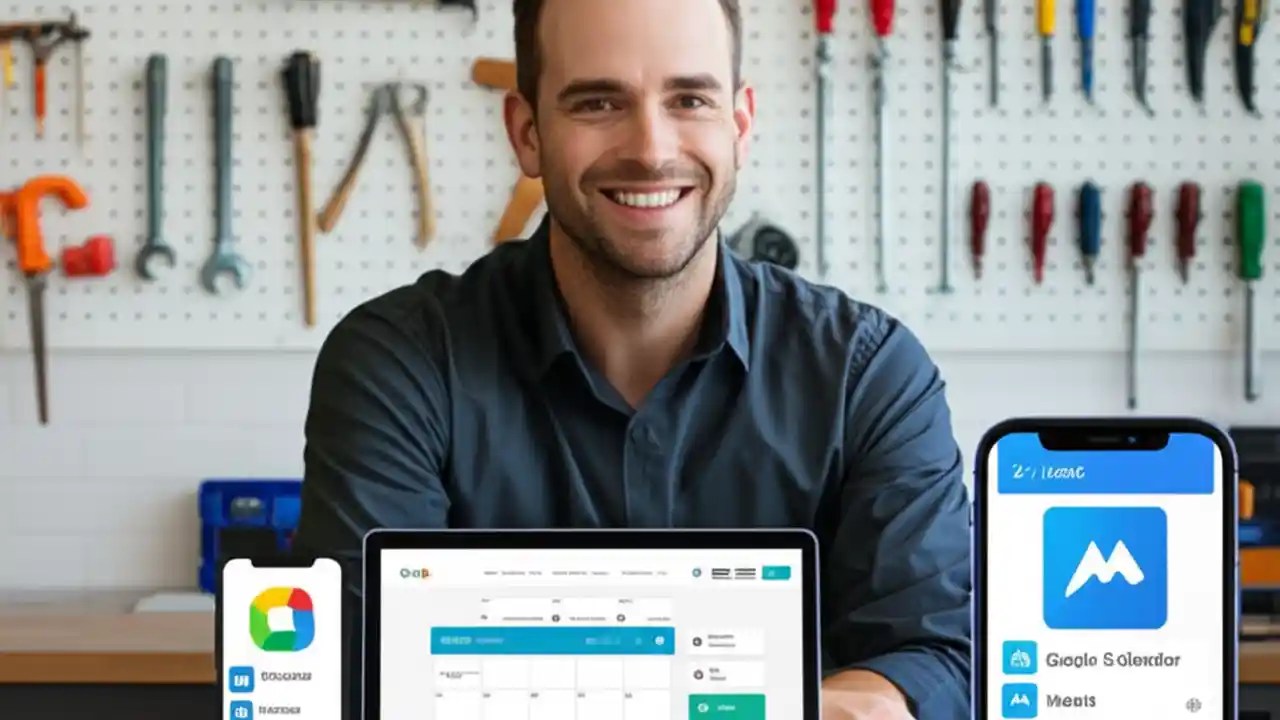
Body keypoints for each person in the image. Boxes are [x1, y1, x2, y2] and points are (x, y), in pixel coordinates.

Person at [293, 0, 972, 717]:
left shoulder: (867, 377)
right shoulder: (399, 366)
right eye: (598, 102)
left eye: (689, 99)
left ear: (739, 125)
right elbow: (354, 668)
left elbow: (934, 660)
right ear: (527, 134)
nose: (650, 148)